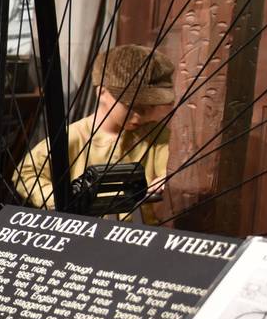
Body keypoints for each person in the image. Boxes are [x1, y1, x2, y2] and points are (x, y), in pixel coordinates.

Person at [13, 43, 173, 219]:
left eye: (150, 106)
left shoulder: (156, 136)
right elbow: (26, 173)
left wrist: (168, 179)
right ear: (102, 93)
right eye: (132, 105)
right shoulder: (74, 137)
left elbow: (173, 166)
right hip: (84, 233)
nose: (142, 114)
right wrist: (61, 200)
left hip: (137, 234)